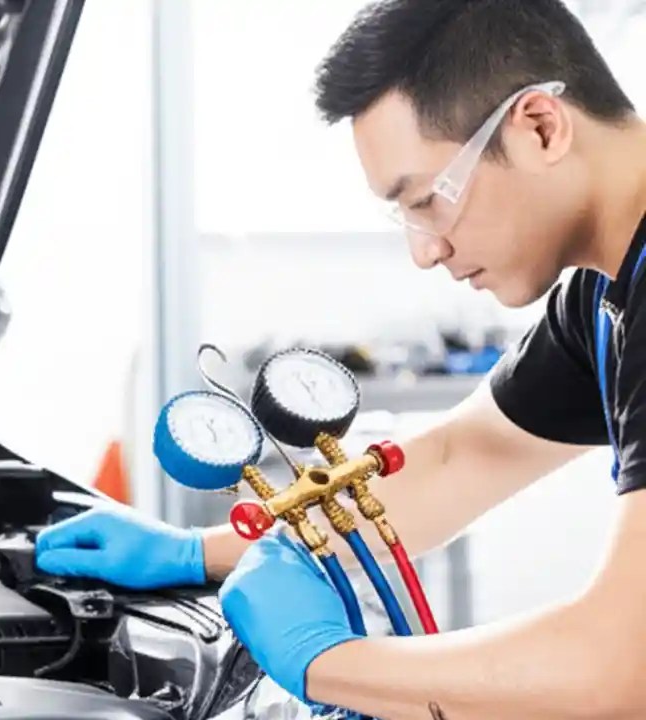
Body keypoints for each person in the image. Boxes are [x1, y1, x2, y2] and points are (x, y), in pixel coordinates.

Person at [34, 0, 646, 717]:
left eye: (429, 201)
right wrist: (200, 552)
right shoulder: (600, 295)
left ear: (540, 126)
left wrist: (326, 663)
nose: (425, 251)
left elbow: (619, 667)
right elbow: (463, 456)